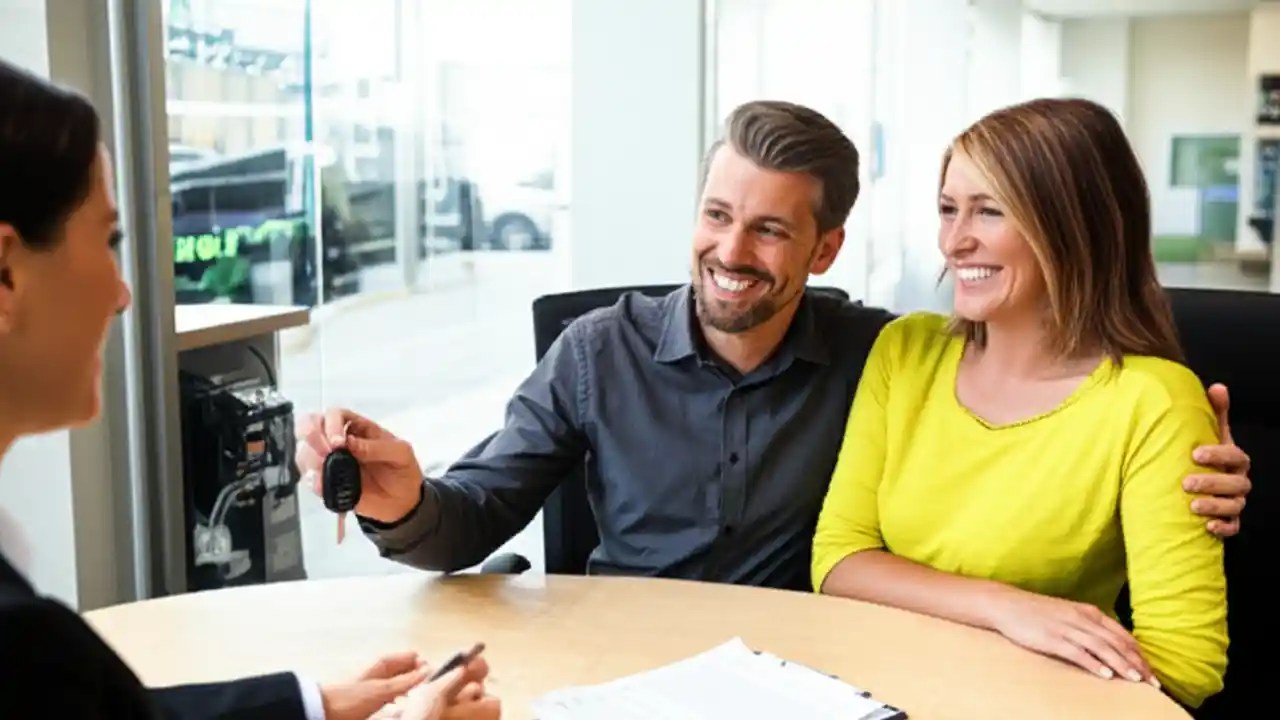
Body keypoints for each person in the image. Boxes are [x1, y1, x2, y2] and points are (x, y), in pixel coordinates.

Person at [296, 99, 1252, 595]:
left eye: (769, 231)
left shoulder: (885, 359)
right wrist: (405, 501)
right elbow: (473, 518)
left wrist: (1185, 463)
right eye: (718, 216)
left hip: (806, 677)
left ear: (825, 248)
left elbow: (1021, 413)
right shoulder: (596, 353)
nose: (729, 252)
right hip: (623, 666)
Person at [0, 59, 498, 720]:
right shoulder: (23, 643)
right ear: (6, 272)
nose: (122, 294)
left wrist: (313, 706)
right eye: (108, 239)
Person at [811, 98, 1230, 709]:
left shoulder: (1154, 402)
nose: (956, 241)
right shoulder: (905, 352)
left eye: (990, 211)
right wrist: (1007, 608)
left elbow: (1186, 663)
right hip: (877, 689)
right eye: (948, 209)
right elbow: (838, 561)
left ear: (1070, 226)